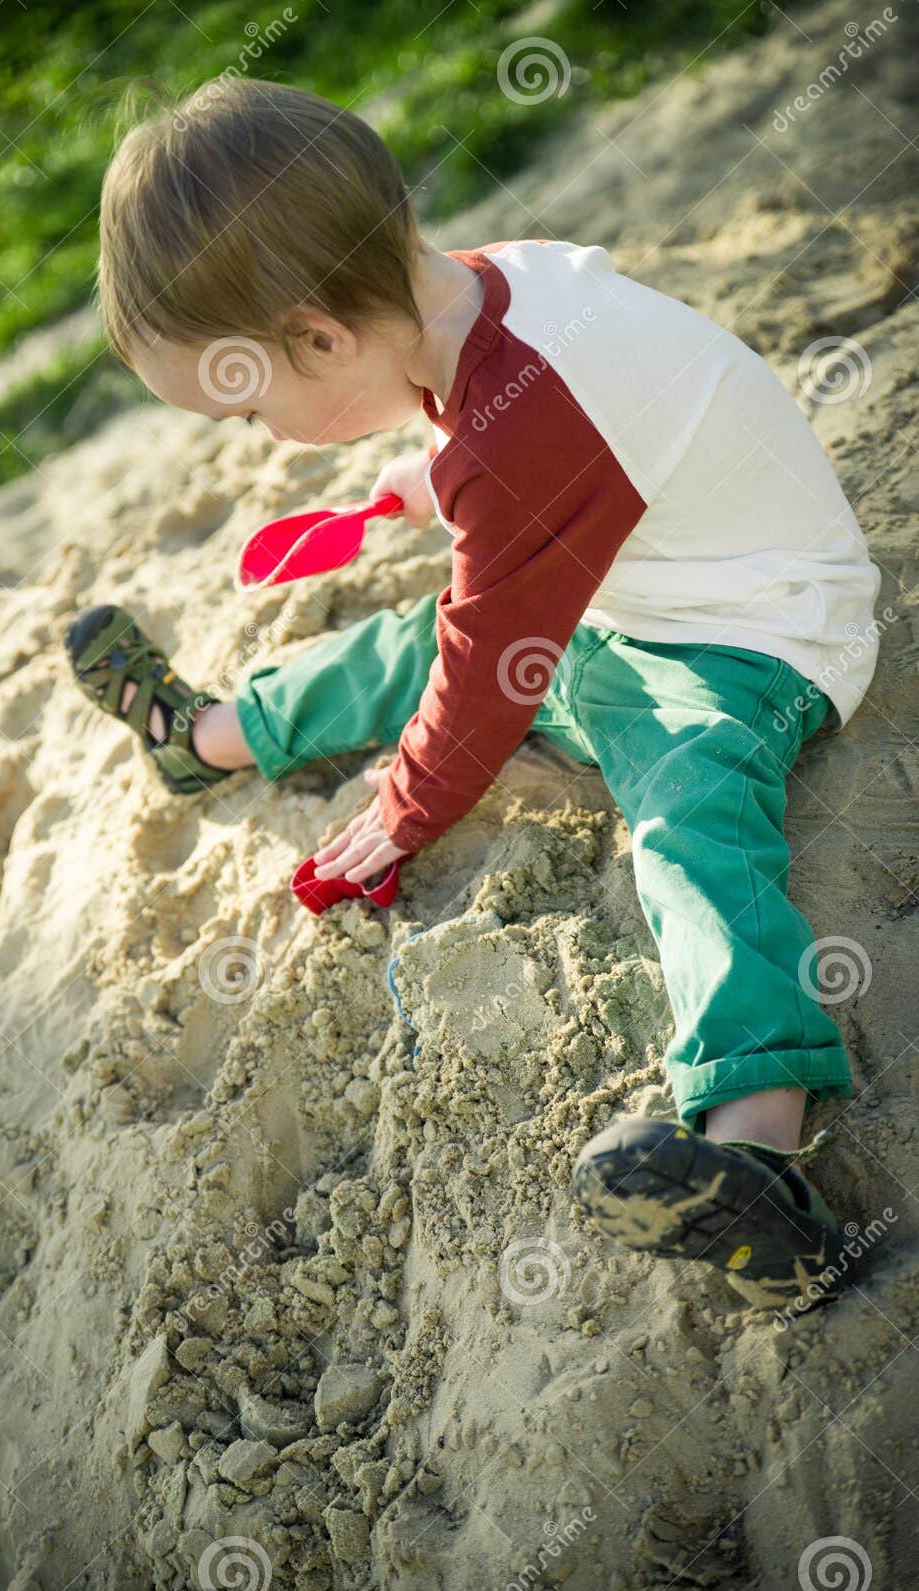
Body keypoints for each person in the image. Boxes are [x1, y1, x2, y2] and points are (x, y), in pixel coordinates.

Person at [68, 78, 880, 1308]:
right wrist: (408, 484)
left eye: (246, 402)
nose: (257, 437)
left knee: (690, 815)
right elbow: (515, 440)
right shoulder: (483, 287)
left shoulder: (530, 421)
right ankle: (210, 737)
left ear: (324, 339)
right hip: (629, 599)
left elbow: (488, 674)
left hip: (752, 640)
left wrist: (403, 813)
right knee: (405, 638)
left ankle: (761, 1161)